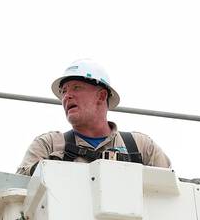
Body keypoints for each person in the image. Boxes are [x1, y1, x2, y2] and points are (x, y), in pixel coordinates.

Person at [17, 58, 171, 175]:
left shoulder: (141, 147)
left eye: (76, 88)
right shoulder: (48, 144)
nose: (67, 96)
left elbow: (171, 192)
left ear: (102, 96)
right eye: (64, 91)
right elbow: (19, 193)